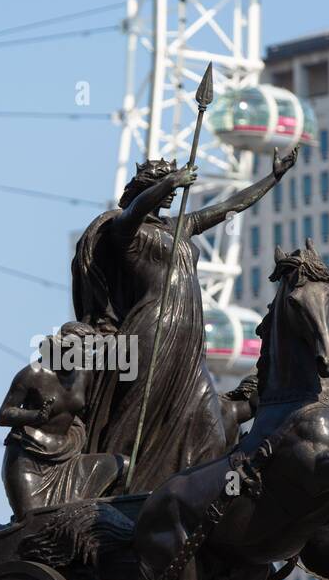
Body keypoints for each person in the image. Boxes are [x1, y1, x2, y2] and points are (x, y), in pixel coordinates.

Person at [71, 146, 298, 491]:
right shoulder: (124, 230)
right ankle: (123, 485)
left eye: (175, 190)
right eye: (166, 188)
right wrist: (169, 182)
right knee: (142, 409)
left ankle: (193, 484)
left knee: (206, 410)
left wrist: (273, 177)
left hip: (189, 333)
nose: (173, 195)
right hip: (153, 329)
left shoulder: (179, 227)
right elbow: (134, 210)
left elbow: (228, 207)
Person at [0, 322, 127, 518]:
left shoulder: (84, 375)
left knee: (122, 466)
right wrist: (35, 416)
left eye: (88, 350)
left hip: (68, 457)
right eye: (80, 351)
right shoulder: (33, 374)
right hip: (29, 459)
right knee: (37, 523)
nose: (84, 356)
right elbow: (3, 415)